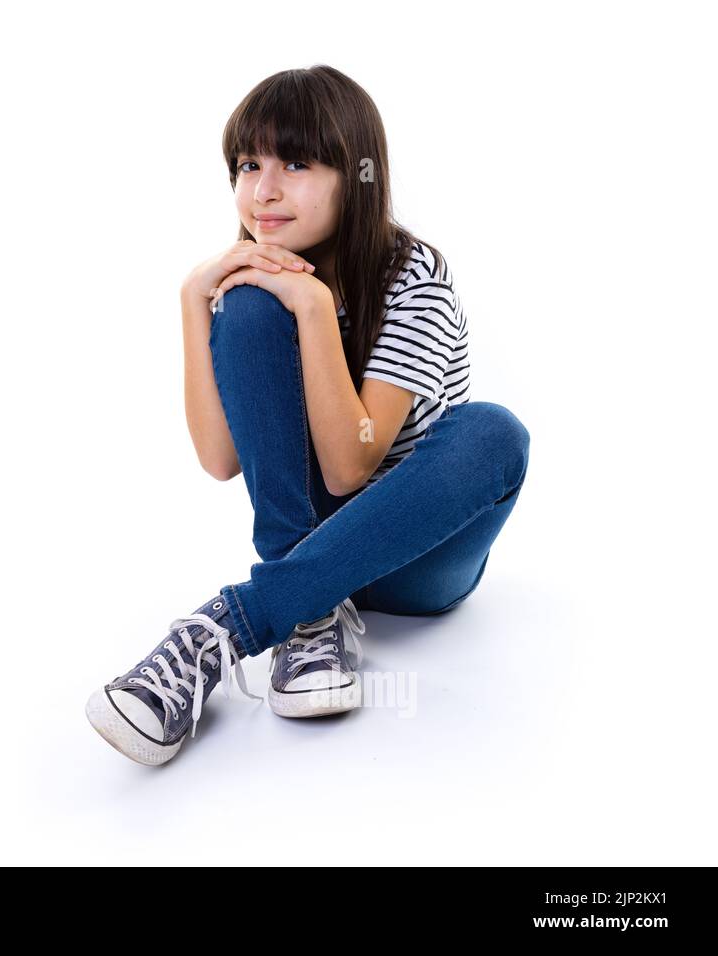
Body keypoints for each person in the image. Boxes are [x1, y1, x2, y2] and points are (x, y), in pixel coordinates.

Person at [85, 65, 531, 767]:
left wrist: (318, 306)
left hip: (416, 555)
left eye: (296, 163)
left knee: (495, 434)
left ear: (357, 177)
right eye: (248, 164)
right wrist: (193, 300)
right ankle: (311, 613)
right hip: (306, 545)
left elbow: (351, 467)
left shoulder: (414, 281)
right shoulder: (256, 285)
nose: (263, 191)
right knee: (253, 308)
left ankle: (230, 627)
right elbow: (220, 460)